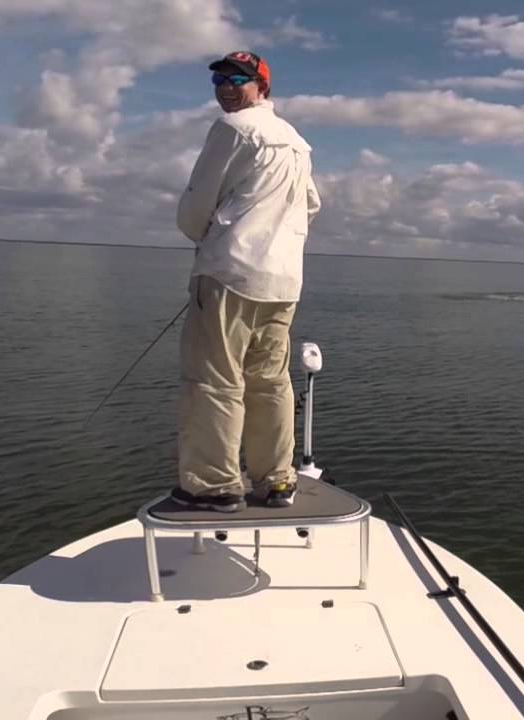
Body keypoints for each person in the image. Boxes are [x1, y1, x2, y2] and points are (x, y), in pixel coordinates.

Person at [172, 50, 321, 512]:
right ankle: (277, 480)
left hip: (229, 273)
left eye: (239, 77)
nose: (225, 86)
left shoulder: (232, 129)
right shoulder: (297, 141)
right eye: (219, 78)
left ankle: (214, 486)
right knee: (270, 383)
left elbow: (194, 208)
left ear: (262, 87)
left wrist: (212, 237)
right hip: (282, 283)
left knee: (215, 382)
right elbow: (311, 205)